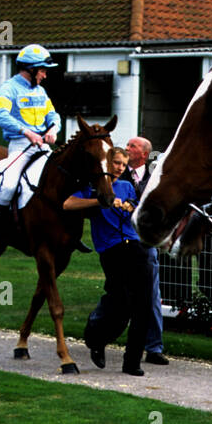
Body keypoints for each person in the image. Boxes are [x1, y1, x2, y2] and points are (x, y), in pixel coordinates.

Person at [66, 147, 152, 376]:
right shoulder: (93, 187)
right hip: (111, 249)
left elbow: (135, 209)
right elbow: (68, 204)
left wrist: (129, 206)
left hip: (134, 246)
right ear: (107, 163)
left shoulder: (126, 186)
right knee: (119, 301)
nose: (119, 168)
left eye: (123, 165)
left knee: (143, 304)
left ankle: (132, 362)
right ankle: (96, 338)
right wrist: (101, 201)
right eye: (116, 163)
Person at [125, 135, 168, 366]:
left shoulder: (154, 180)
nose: (127, 148)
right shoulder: (116, 175)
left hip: (144, 243)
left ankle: (154, 347)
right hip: (120, 243)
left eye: (132, 146)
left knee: (151, 295)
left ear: (144, 153)